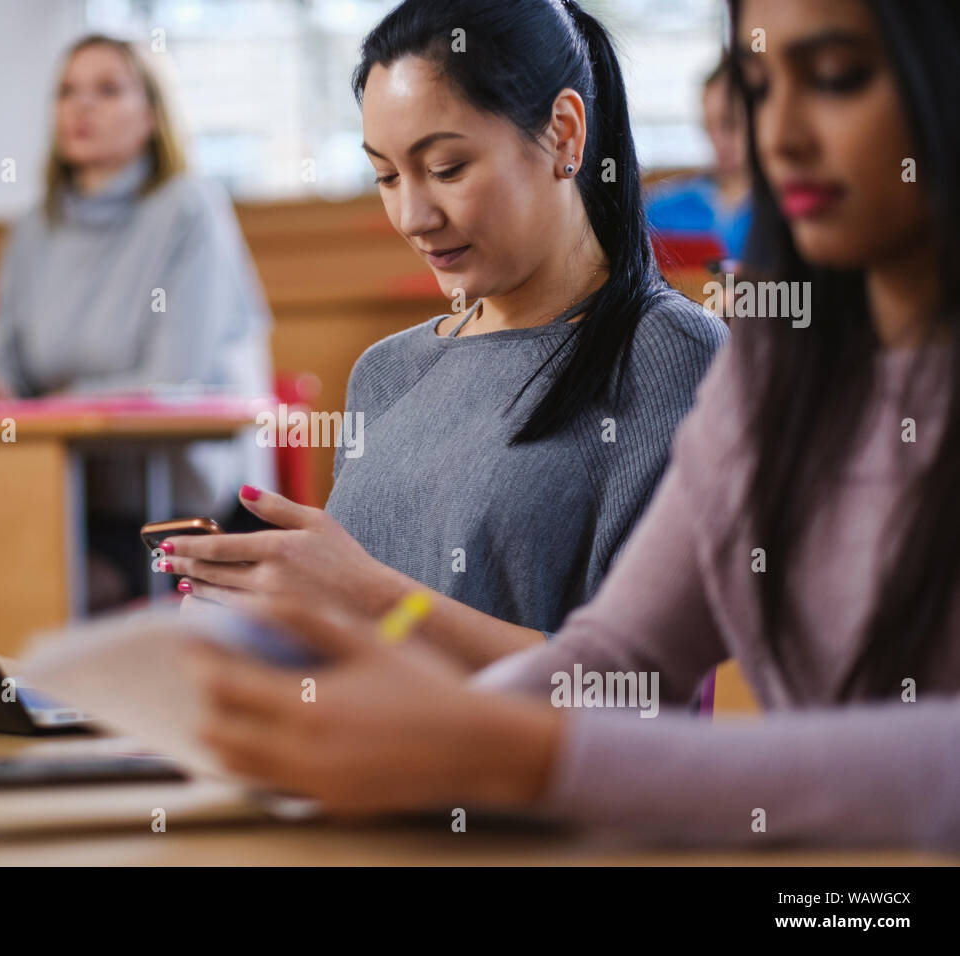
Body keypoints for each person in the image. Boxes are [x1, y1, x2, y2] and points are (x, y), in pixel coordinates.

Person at [183, 0, 960, 851]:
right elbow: (617, 657)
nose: (780, 135)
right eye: (757, 87)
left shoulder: (678, 351)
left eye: (839, 77)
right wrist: (331, 734)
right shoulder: (777, 373)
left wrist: (482, 731)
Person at [162, 0, 726, 670]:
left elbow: (633, 686)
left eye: (447, 168)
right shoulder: (387, 370)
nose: (413, 215)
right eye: (387, 176)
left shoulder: (669, 353)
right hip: (363, 762)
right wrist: (277, 624)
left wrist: (370, 598)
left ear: (565, 134)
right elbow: (373, 653)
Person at [0, 34, 275, 607]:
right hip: (60, 492)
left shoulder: (188, 207)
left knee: (37, 595)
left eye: (106, 89)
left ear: (150, 115)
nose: (81, 106)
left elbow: (174, 382)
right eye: (68, 91)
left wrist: (45, 403)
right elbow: (5, 361)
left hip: (179, 507)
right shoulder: (33, 228)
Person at [646, 55, 754, 264]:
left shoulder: (788, 212)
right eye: (709, 126)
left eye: (729, 123)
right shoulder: (663, 209)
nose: (717, 140)